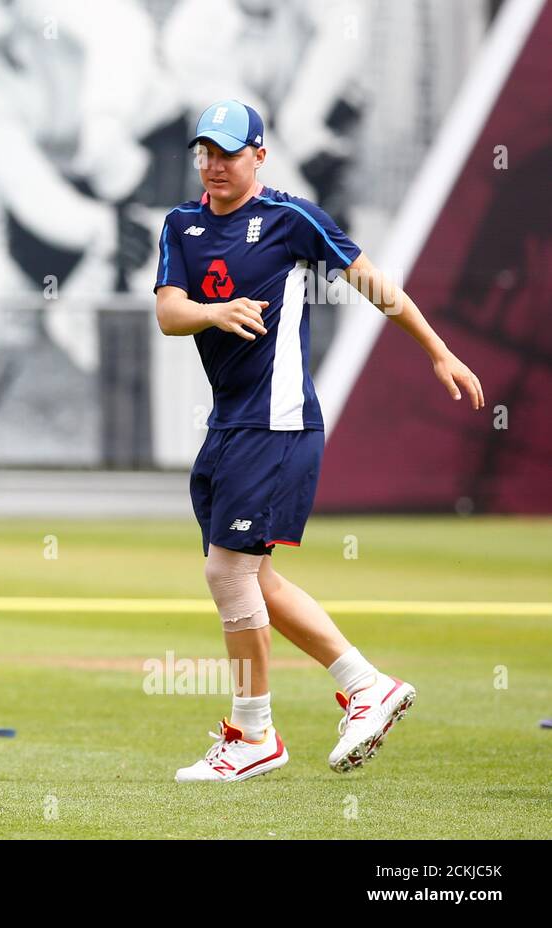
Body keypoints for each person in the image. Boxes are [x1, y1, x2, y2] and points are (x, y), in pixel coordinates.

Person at [154, 100, 483, 782]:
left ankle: (253, 734)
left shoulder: (291, 219)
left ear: (259, 156)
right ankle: (367, 684)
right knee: (255, 577)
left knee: (228, 572)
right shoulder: (181, 224)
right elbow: (168, 311)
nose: (214, 165)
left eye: (228, 152)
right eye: (204, 153)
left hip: (278, 422)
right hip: (228, 426)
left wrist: (437, 350)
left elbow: (375, 284)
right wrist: (214, 312)